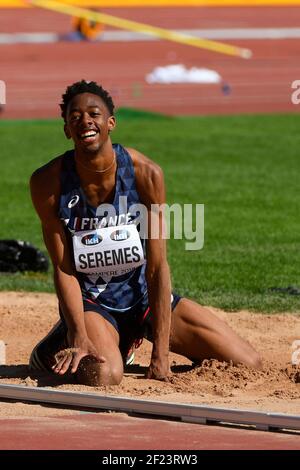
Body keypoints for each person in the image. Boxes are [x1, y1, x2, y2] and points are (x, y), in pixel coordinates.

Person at [29, 80, 261, 386]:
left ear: (110, 122)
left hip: (141, 297)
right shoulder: (49, 183)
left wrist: (161, 356)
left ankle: (129, 339)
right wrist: (79, 334)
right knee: (106, 375)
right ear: (67, 130)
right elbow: (63, 268)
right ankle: (57, 345)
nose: (85, 121)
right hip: (94, 304)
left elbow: (157, 266)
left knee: (248, 362)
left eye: (94, 114)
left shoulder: (145, 174)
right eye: (75, 117)